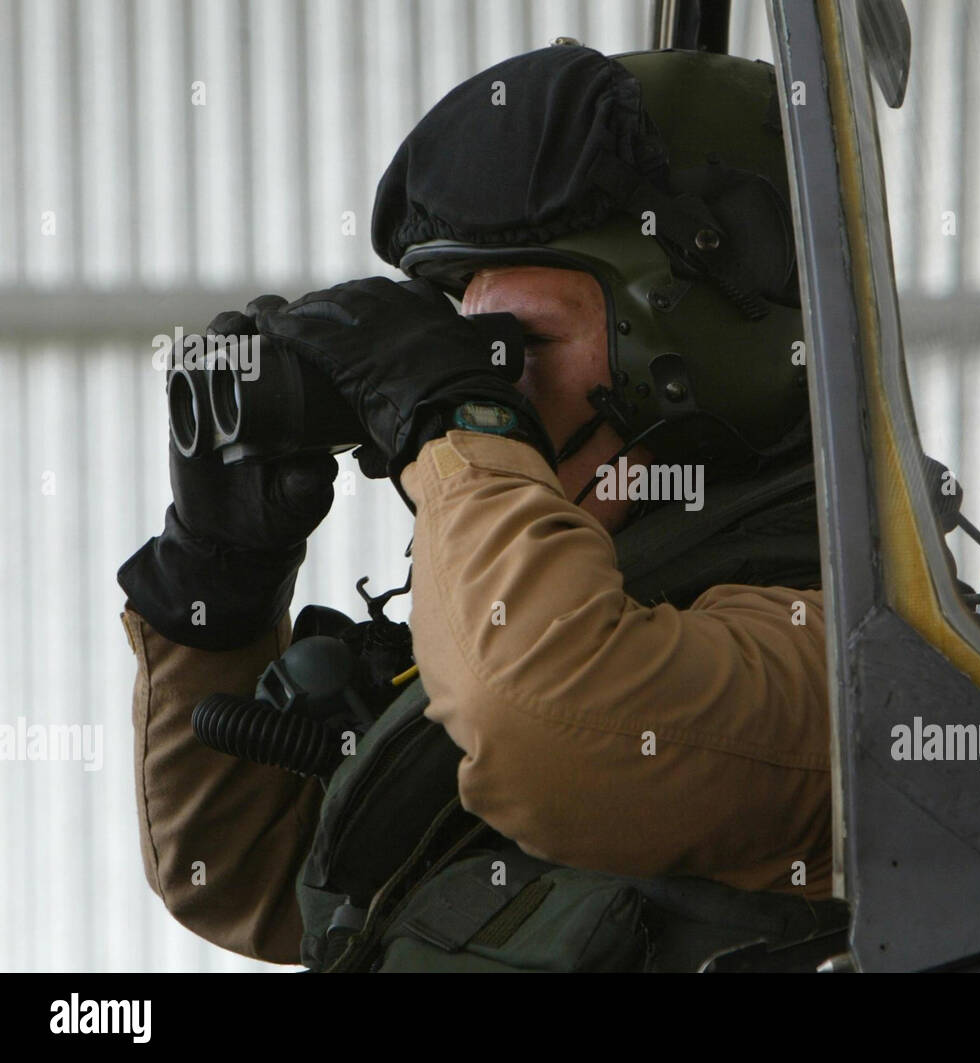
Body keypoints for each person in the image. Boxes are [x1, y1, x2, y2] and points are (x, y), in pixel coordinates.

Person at [117, 42, 842, 972]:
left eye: (524, 341)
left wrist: (456, 416)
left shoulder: (838, 647)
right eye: (466, 345)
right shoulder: (573, 600)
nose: (498, 385)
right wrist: (216, 580)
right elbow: (242, 877)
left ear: (696, 351)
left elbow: (540, 717)